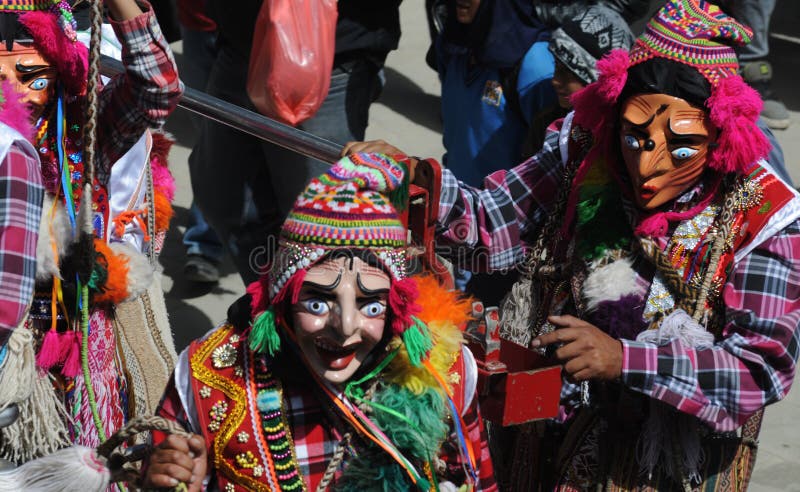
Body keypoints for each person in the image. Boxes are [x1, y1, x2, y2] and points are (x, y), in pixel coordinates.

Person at [346, 0, 800, 489]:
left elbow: (759, 368)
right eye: (636, 136)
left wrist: (623, 358)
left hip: (667, 465)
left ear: (721, 133)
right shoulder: (586, 149)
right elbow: (492, 221)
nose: (647, 166)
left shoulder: (765, 217)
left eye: (682, 147)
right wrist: (415, 182)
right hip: (547, 437)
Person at [143, 154, 497, 491]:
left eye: (370, 306)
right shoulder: (212, 374)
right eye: (317, 301)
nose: (344, 327)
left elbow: (476, 479)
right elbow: (162, 471)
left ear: (395, 307)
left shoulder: (444, 373)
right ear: (283, 297)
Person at [0, 0, 182, 464]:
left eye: (32, 76)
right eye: (1, 80)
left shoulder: (86, 128)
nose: (16, 93)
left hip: (82, 334)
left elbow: (158, 87)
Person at [189, 0, 401, 286]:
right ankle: (274, 305)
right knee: (220, 195)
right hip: (242, 45)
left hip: (328, 58)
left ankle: (309, 312)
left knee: (320, 227)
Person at [522, 4, 634, 157]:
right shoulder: (544, 123)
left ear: (597, 83)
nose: (554, 81)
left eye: (567, 74)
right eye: (556, 66)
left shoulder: (617, 134)